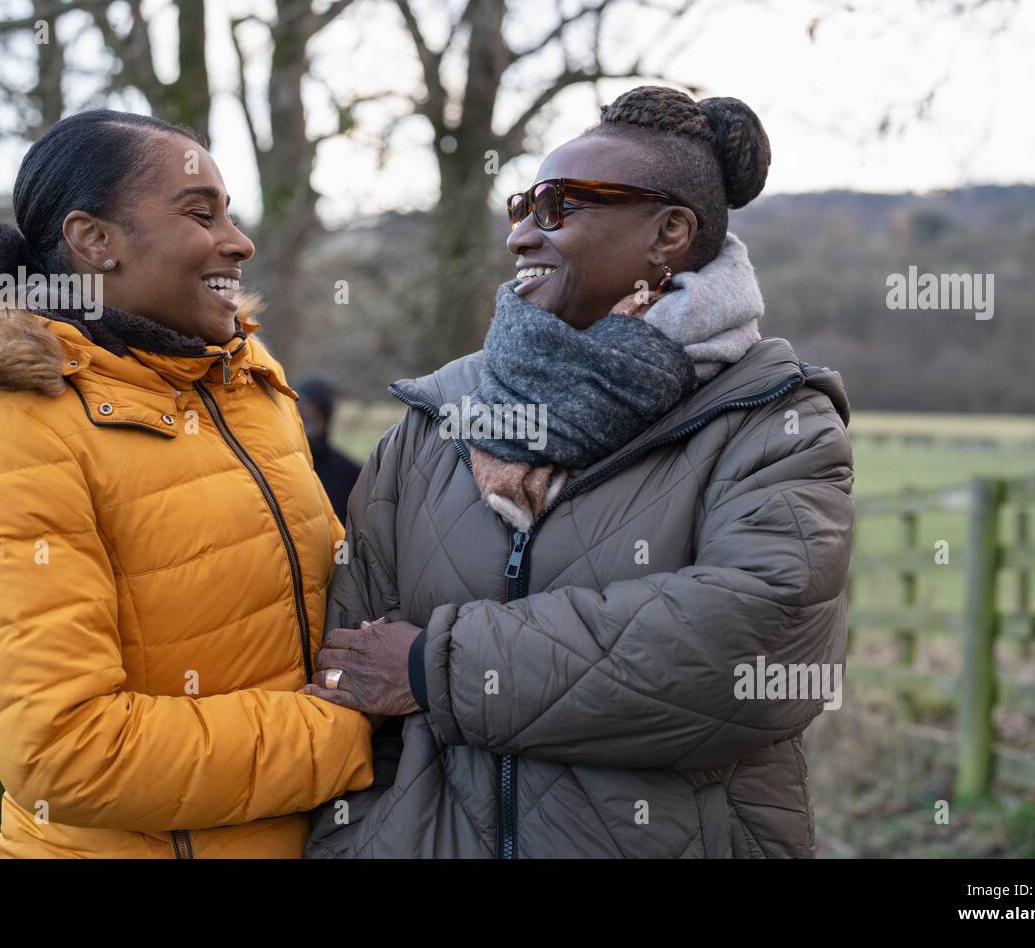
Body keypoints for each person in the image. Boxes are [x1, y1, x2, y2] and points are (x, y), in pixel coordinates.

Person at [301, 86, 854, 858]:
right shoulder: (437, 418)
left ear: (668, 233)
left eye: (560, 206)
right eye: (520, 205)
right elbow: (348, 667)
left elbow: (749, 642)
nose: (523, 234)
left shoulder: (772, 420)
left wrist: (436, 666)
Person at [0, 109, 374, 858]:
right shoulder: (11, 429)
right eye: (201, 213)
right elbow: (64, 751)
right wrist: (355, 734)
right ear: (93, 240)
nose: (239, 241)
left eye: (230, 213)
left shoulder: (241, 385)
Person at [294, 374, 363, 523]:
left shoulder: (351, 474)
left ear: (324, 414)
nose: (303, 412)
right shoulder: (279, 466)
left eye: (310, 406)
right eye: (298, 405)